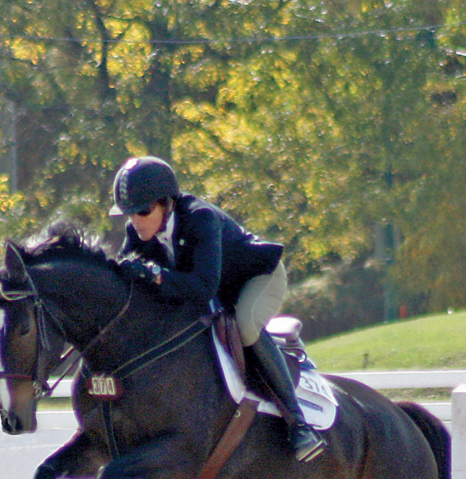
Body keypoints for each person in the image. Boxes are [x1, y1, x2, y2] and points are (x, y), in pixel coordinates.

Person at [109, 155, 325, 462]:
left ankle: (298, 423)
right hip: (215, 290)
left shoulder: (201, 218)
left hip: (257, 278)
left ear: (166, 204)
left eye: (143, 211)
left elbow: (202, 288)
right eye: (129, 214)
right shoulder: (137, 235)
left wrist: (154, 274)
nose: (136, 221)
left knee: (245, 324)